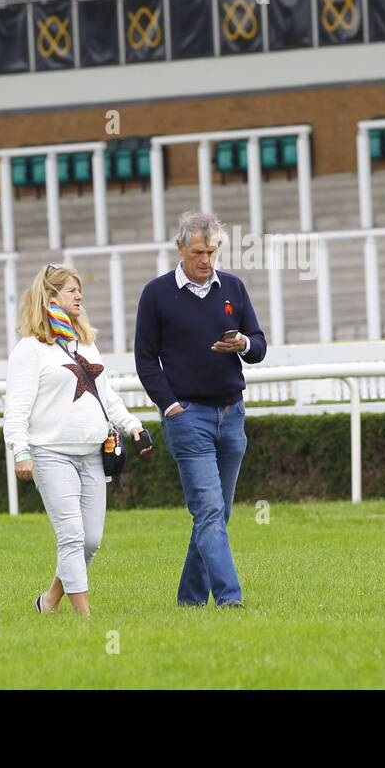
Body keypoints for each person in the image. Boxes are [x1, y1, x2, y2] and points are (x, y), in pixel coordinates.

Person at [133, 211, 267, 608]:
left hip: (233, 414)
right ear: (179, 248)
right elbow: (144, 359)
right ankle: (230, 599)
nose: (206, 260)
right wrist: (171, 406)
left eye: (211, 251)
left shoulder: (234, 288)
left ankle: (190, 601)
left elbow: (259, 345)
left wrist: (242, 343)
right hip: (188, 417)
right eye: (198, 252)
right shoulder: (156, 294)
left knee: (215, 515)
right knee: (209, 510)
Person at [4, 264, 152, 617]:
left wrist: (132, 425)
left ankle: (49, 600)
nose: (79, 296)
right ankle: (86, 619)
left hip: (92, 454)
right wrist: (20, 450)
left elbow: (106, 395)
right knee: (71, 535)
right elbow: (17, 406)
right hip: (51, 454)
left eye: (79, 290)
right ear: (51, 296)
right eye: (71, 290)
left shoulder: (85, 342)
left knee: (91, 540)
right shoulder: (29, 350)